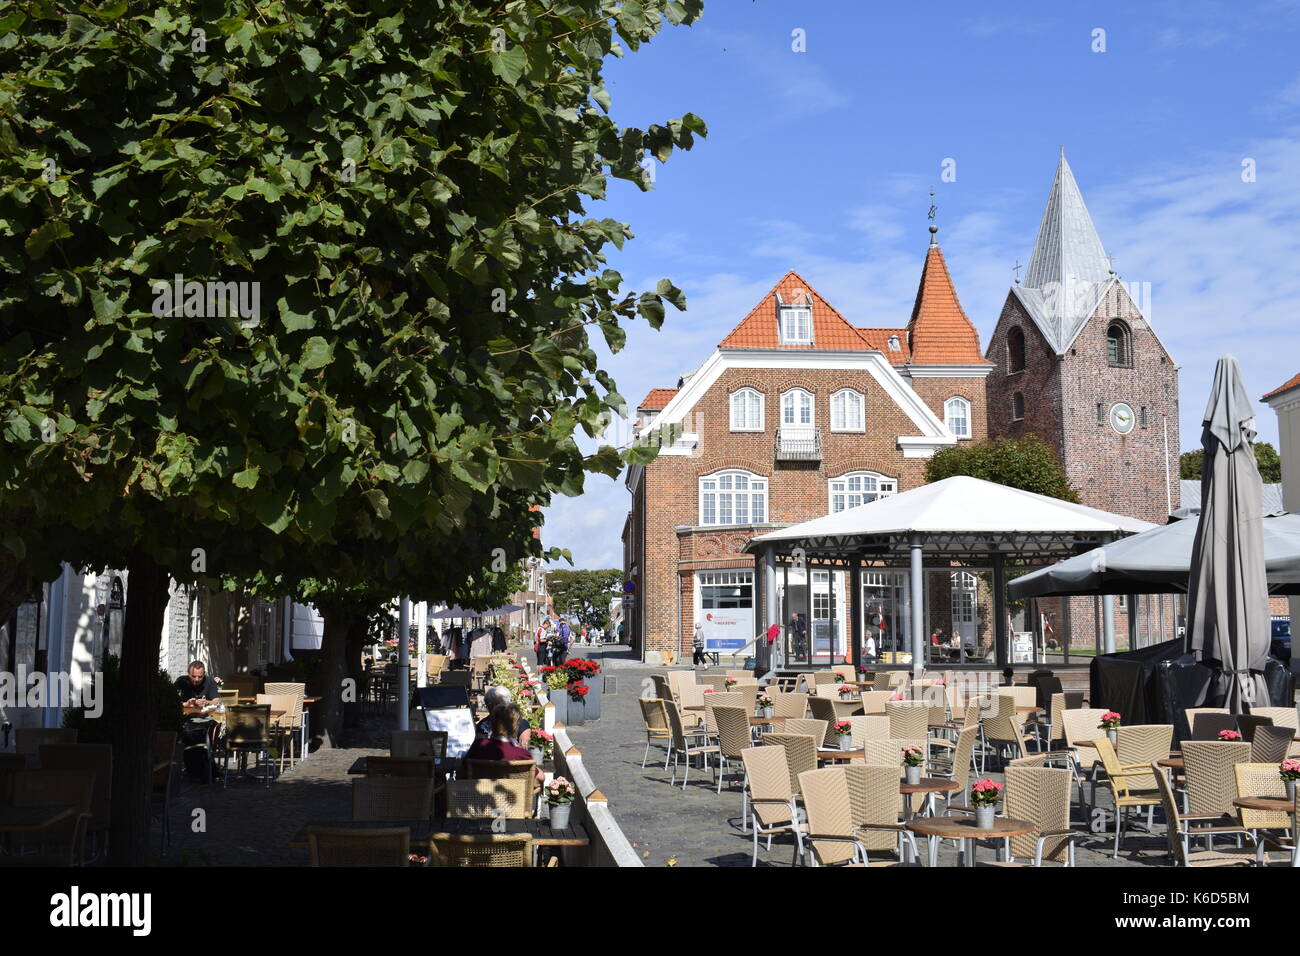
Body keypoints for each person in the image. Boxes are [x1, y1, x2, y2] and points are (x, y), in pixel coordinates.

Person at [464, 704, 543, 786]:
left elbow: (461, 773)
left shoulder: (478, 746)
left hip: (480, 797)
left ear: (492, 724)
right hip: (512, 797)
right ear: (515, 727)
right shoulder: (521, 753)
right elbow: (539, 779)